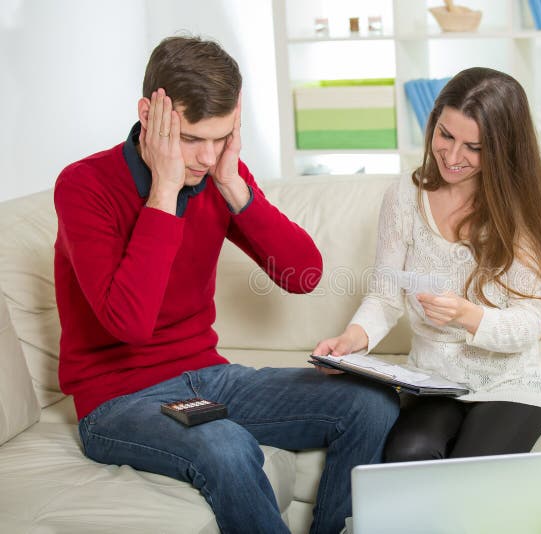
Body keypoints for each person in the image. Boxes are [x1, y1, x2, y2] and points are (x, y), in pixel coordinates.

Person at [53, 35, 398, 534]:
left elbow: (305, 274)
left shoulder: (217, 173)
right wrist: (165, 193)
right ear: (149, 115)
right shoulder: (84, 186)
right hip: (118, 401)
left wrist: (235, 186)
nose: (206, 157)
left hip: (209, 377)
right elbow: (129, 323)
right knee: (226, 442)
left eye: (222, 138)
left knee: (369, 402)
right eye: (192, 140)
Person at [313, 67, 541, 462]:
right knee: (406, 455)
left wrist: (468, 315)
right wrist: (351, 341)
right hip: (433, 381)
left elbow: (528, 325)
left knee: (470, 473)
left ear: (502, 149)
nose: (452, 156)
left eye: (474, 147)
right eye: (445, 135)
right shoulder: (403, 197)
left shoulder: (519, 214)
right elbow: (385, 297)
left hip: (509, 383)